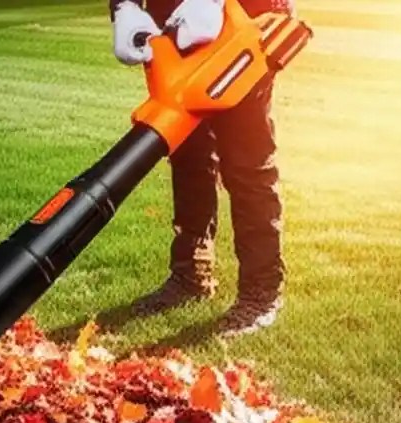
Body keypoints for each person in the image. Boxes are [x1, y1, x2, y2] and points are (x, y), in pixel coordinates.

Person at [110, 0, 293, 336]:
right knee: (188, 153)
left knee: (246, 160)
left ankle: (261, 291)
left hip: (246, 15)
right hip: (175, 24)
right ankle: (192, 273)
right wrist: (124, 7)